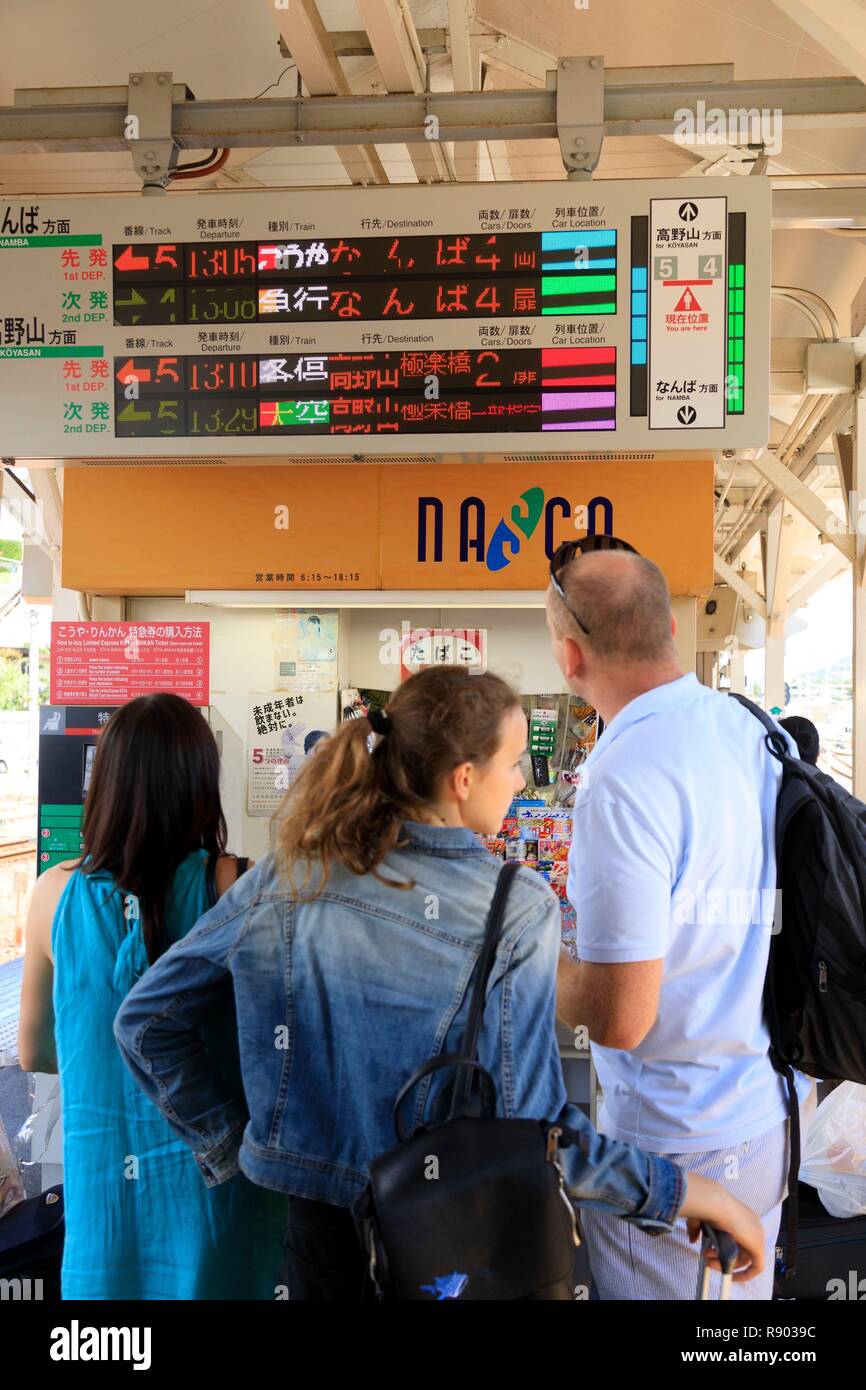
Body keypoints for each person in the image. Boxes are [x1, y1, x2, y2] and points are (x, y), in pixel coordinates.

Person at [114, 666, 765, 1300]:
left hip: (313, 1238)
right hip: (446, 1240)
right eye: (513, 764)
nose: (520, 780)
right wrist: (681, 1192)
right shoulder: (515, 906)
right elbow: (536, 1134)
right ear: (463, 779)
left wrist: (233, 1144)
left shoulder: (291, 874)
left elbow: (145, 1023)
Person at [546, 536, 816, 1300]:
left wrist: (537, 961)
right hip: (767, 1106)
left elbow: (623, 1017)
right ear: (669, 627)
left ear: (570, 660)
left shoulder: (622, 773)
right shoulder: (748, 728)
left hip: (677, 1142)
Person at [17, 693, 287, 1299]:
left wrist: (108, 1063)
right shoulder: (234, 884)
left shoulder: (50, 897)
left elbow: (33, 1051)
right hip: (217, 1191)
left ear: (104, 781)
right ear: (200, 782)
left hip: (103, 1192)